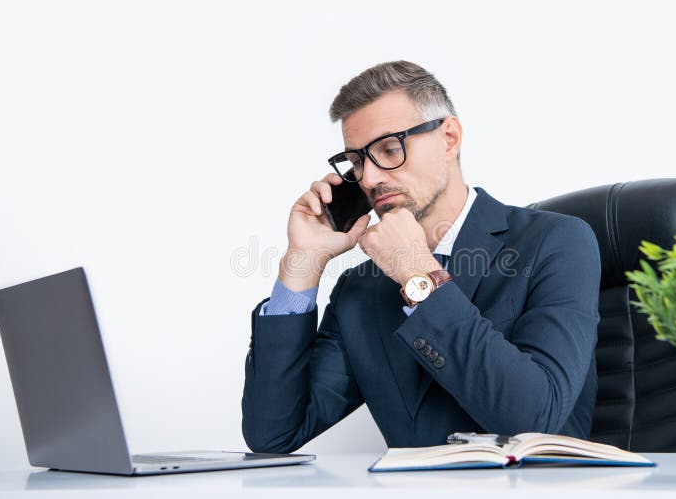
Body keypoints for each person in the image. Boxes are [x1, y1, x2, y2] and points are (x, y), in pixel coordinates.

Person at [242, 60, 601, 453]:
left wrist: (417, 274)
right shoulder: (360, 289)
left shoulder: (557, 242)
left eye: (390, 149)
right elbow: (272, 434)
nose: (370, 179)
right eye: (358, 162)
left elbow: (534, 418)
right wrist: (302, 264)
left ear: (448, 139)